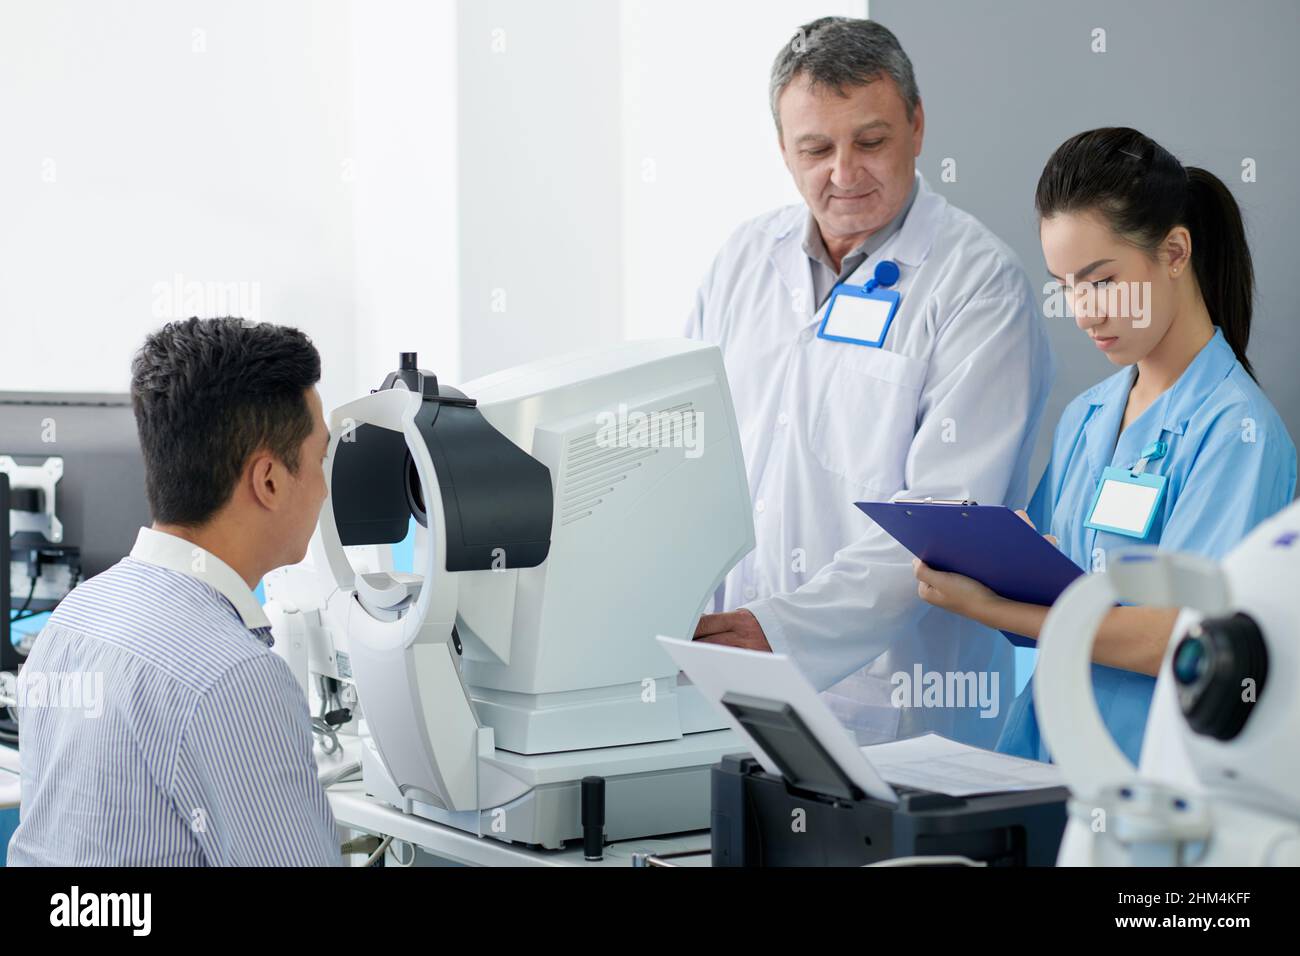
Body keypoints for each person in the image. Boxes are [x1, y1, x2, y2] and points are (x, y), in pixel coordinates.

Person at [685, 16, 1053, 747]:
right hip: (729, 688)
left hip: (900, 707)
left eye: (872, 141)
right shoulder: (741, 262)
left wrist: (780, 630)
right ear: (784, 152)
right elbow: (690, 458)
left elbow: (943, 518)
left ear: (917, 127)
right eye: (817, 148)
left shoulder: (977, 283)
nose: (845, 173)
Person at [914, 128, 1297, 763]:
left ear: (1175, 252)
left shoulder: (1239, 433)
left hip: (1152, 780)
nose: (1083, 311)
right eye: (1066, 286)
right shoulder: (1088, 417)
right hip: (1046, 757)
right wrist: (983, 558)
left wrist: (998, 611)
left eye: (1100, 280)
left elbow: (1178, 638)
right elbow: (1051, 573)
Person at [8, 317, 340, 865]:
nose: (326, 487)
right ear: (270, 481)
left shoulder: (69, 623)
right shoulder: (234, 679)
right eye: (319, 459)